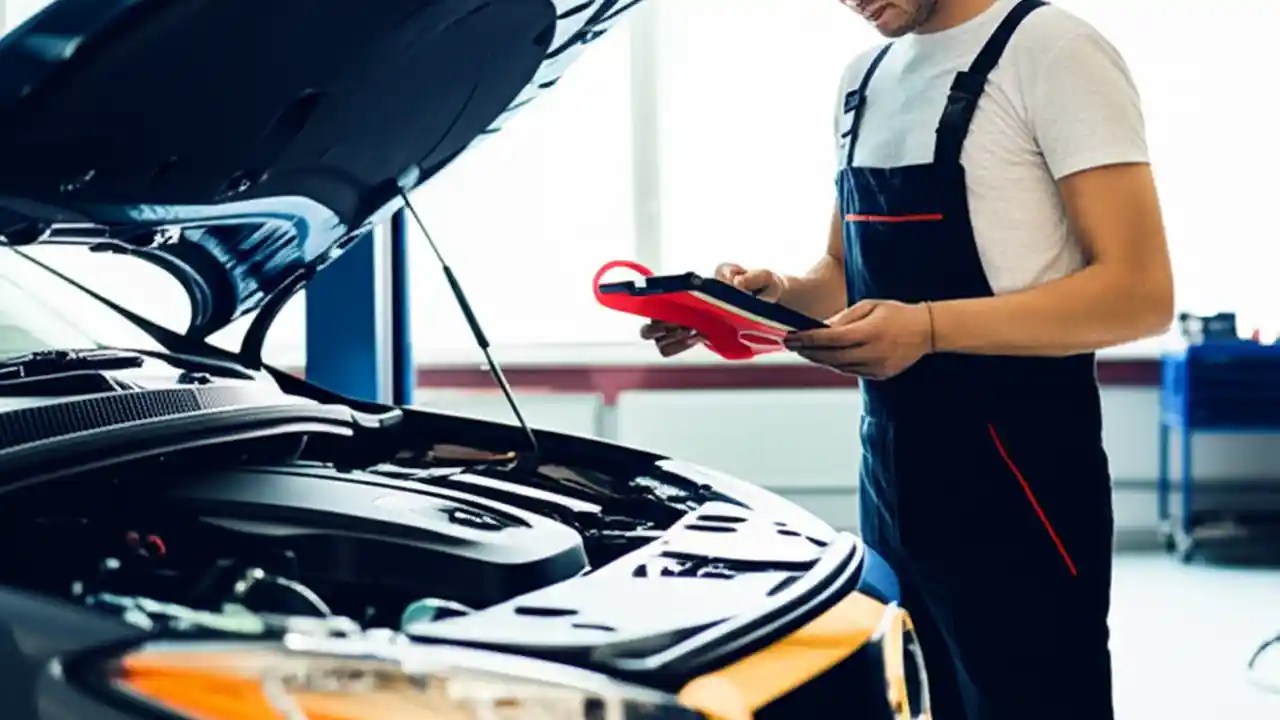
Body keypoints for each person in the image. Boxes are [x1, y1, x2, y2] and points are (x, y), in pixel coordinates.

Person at [642, 0, 1173, 718]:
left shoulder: (1053, 51)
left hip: (1023, 478)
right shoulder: (866, 77)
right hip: (894, 476)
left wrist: (925, 329)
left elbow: (1139, 294)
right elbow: (839, 272)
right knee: (926, 699)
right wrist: (756, 303)